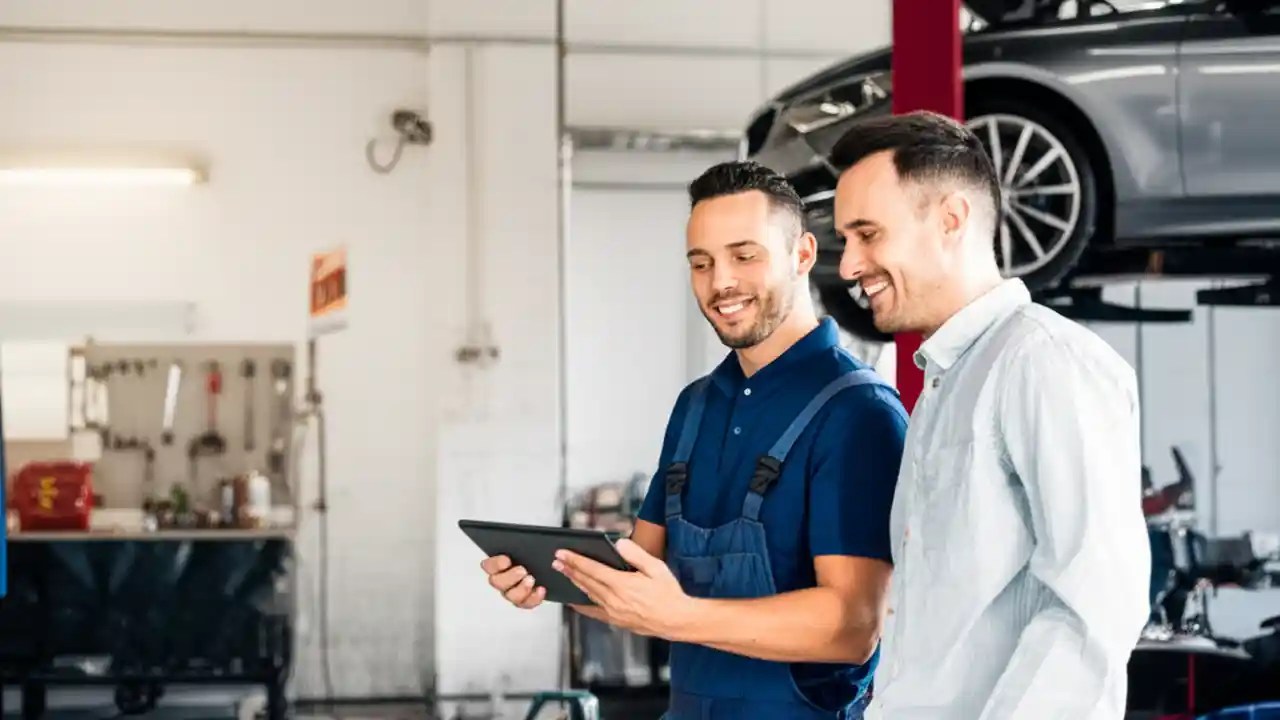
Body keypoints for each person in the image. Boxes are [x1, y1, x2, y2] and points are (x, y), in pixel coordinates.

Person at [481, 161, 908, 719]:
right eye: (701, 263)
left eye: (744, 255)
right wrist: (549, 575)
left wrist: (676, 616)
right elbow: (639, 585)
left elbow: (854, 627)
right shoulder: (696, 406)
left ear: (803, 254)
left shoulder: (857, 413)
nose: (720, 282)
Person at [828, 110, 1152, 719]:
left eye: (868, 234)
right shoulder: (946, 384)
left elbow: (1093, 607)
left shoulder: (1043, 362)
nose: (848, 265)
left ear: (951, 219)